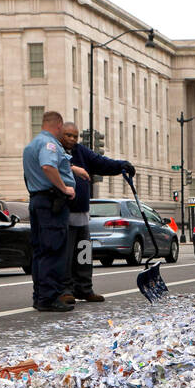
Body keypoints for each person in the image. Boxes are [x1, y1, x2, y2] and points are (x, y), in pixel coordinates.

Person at [59, 124, 135, 303]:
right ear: (61, 135)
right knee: (67, 256)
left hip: (83, 216)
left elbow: (102, 163)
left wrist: (121, 165)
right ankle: (65, 290)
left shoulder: (81, 152)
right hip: (65, 216)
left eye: (75, 136)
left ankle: (84, 288)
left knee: (84, 255)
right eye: (68, 135)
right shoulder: (56, 153)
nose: (72, 139)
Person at [22, 111, 76, 312]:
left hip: (38, 200)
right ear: (59, 126)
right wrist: (64, 188)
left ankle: (40, 295)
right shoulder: (50, 144)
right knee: (53, 250)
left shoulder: (31, 145)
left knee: (41, 251)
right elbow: (48, 165)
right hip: (52, 201)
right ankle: (50, 297)